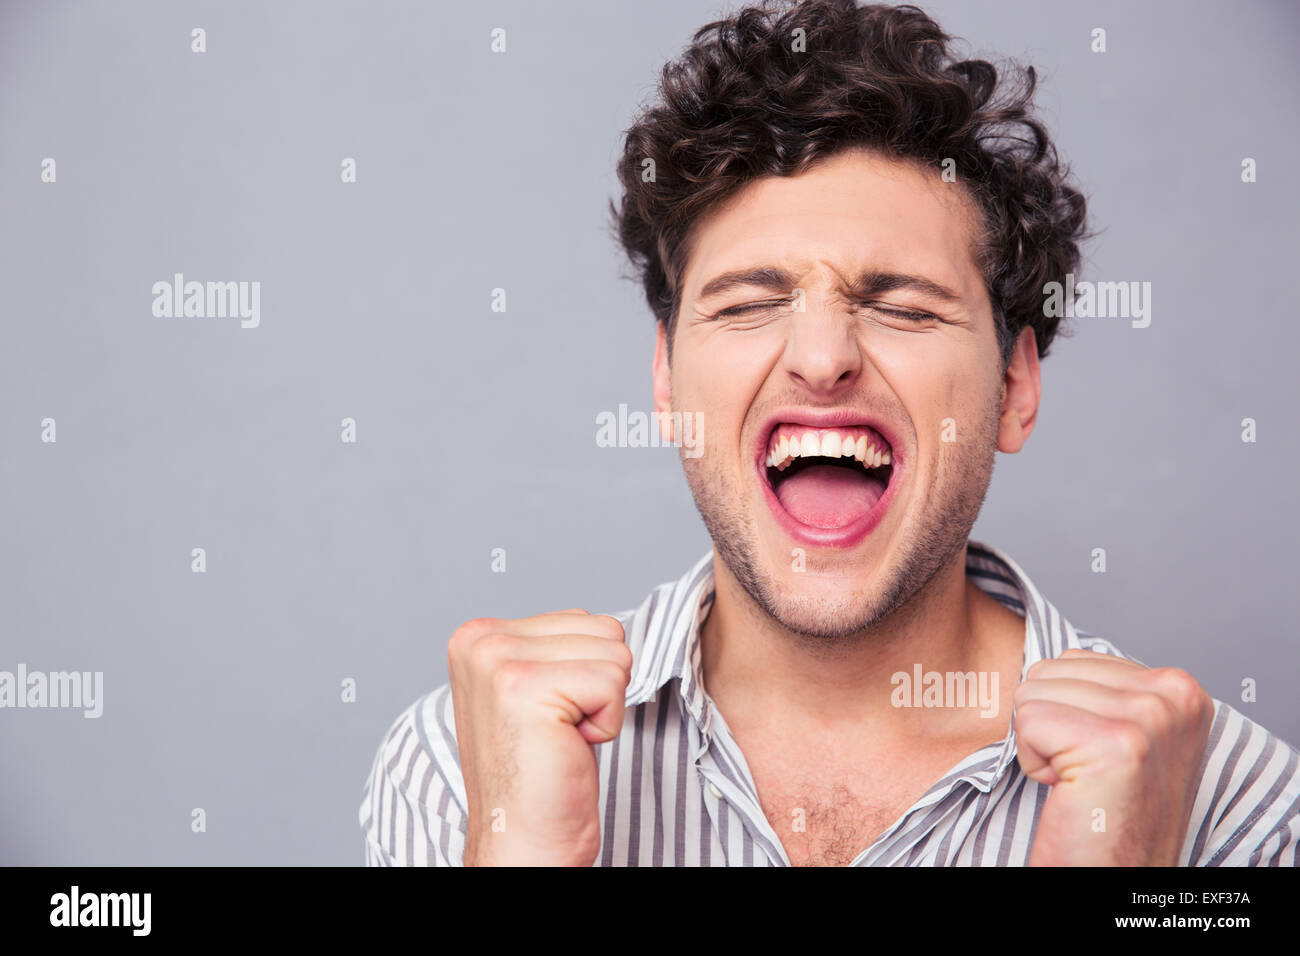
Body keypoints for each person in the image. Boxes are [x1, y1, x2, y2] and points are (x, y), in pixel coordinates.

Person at [359, 0, 1299, 866]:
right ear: (665, 377)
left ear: (1014, 385)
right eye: (748, 304)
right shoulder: (461, 772)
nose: (821, 357)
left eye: (904, 307)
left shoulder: (1234, 803)